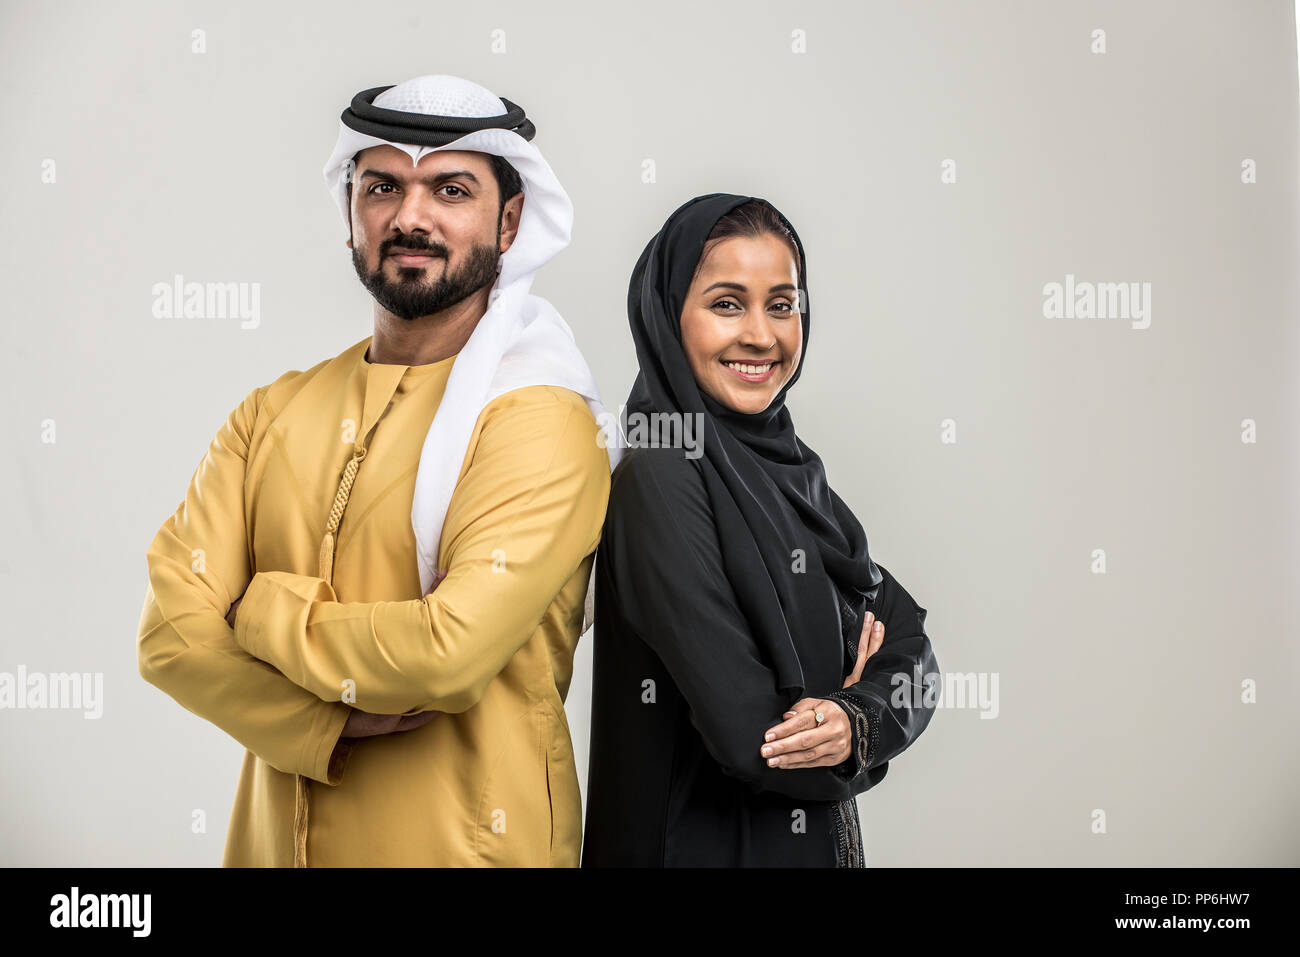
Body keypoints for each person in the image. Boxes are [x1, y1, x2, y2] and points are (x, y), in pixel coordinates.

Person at [137, 74, 615, 866]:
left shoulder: (540, 417)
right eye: (382, 186)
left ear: (511, 220)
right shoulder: (272, 413)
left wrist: (258, 612)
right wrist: (322, 721)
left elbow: (445, 654)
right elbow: (169, 637)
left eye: (450, 189)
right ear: (351, 213)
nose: (410, 216)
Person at [581, 194, 939, 867]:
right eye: (725, 303)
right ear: (667, 316)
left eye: (782, 303)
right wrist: (859, 710)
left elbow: (910, 639)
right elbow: (757, 738)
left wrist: (854, 717)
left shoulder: (788, 472)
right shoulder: (660, 476)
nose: (761, 334)